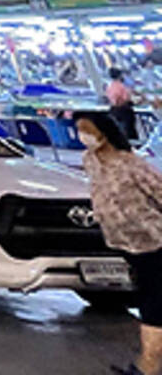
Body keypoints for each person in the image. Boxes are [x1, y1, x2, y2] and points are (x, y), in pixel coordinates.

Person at [77, 112, 162, 375]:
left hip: (152, 239)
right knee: (148, 295)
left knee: (154, 300)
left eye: (86, 129)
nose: (82, 135)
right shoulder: (90, 161)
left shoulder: (132, 165)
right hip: (123, 242)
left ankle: (149, 364)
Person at [110, 68, 140, 142]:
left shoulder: (110, 87)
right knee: (130, 130)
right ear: (120, 75)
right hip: (124, 110)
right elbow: (126, 98)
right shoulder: (122, 87)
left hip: (114, 110)